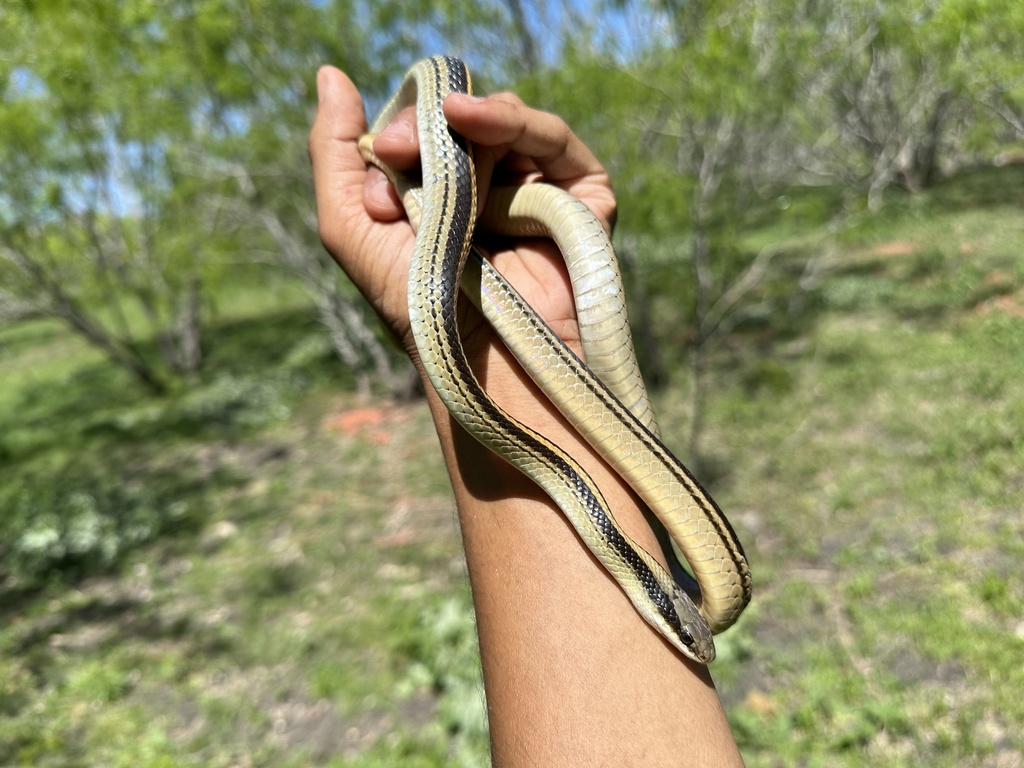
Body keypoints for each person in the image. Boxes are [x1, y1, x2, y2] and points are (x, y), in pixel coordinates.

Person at [309, 64, 746, 767]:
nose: (701, 643)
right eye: (689, 633)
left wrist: (530, 325)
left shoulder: (626, 544)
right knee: (447, 95)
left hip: (515, 333)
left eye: (688, 633)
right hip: (480, 303)